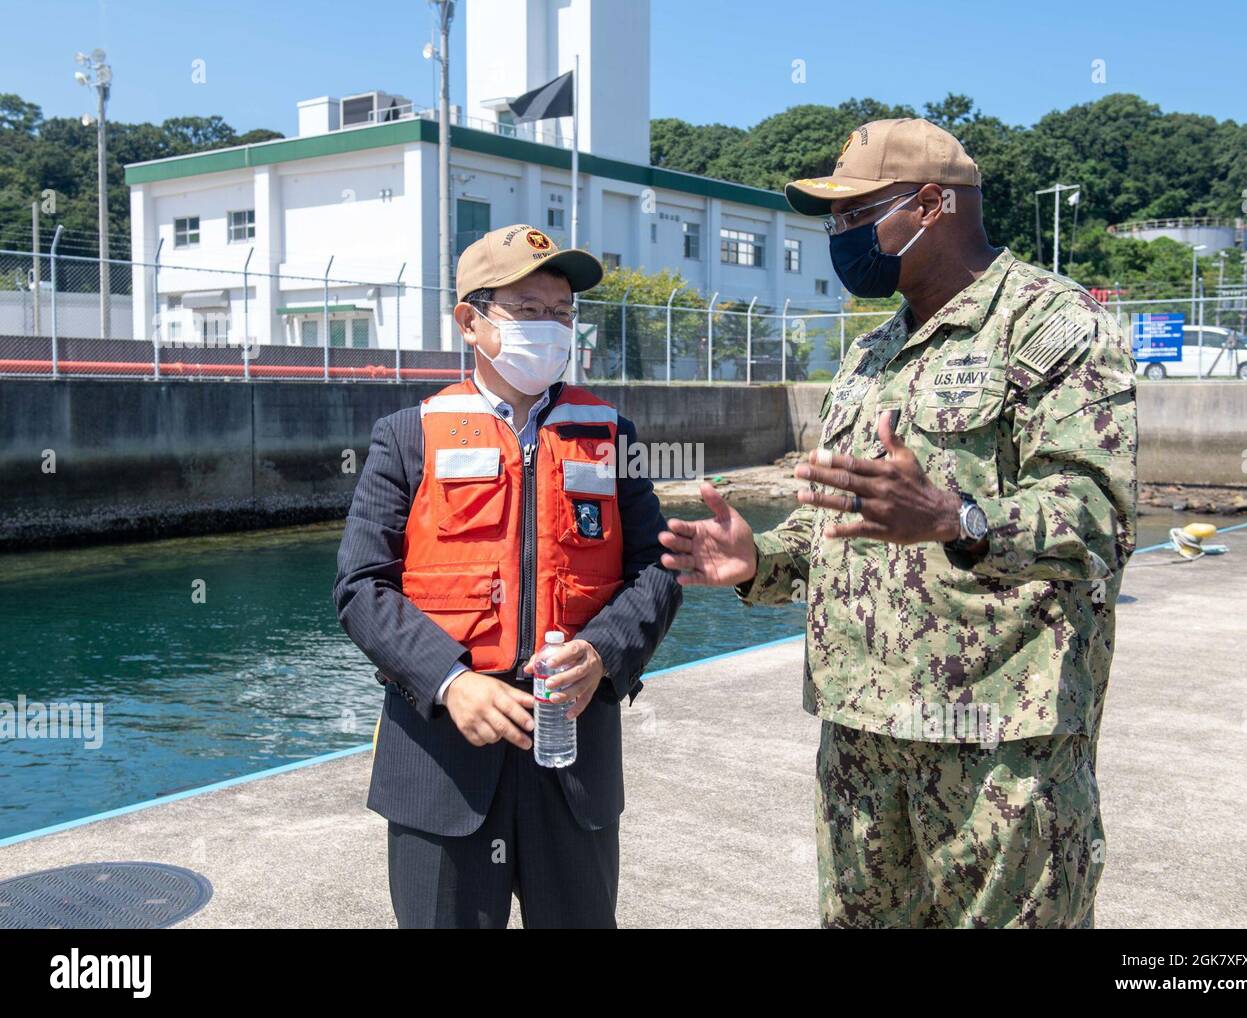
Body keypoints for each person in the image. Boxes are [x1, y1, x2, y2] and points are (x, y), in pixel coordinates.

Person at [659, 119, 1137, 928]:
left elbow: (1099, 522)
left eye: (854, 216)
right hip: (861, 736)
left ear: (929, 204)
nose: (839, 237)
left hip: (996, 744)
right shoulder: (870, 355)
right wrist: (757, 560)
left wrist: (957, 516)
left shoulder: (1054, 328)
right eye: (834, 221)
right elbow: (833, 532)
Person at [335, 224, 680, 928]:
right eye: (529, 311)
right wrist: (450, 680)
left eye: (562, 313)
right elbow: (361, 585)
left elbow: (657, 567)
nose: (551, 328)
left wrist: (604, 655)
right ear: (471, 321)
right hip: (441, 763)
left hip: (572, 755)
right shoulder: (408, 435)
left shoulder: (613, 435)